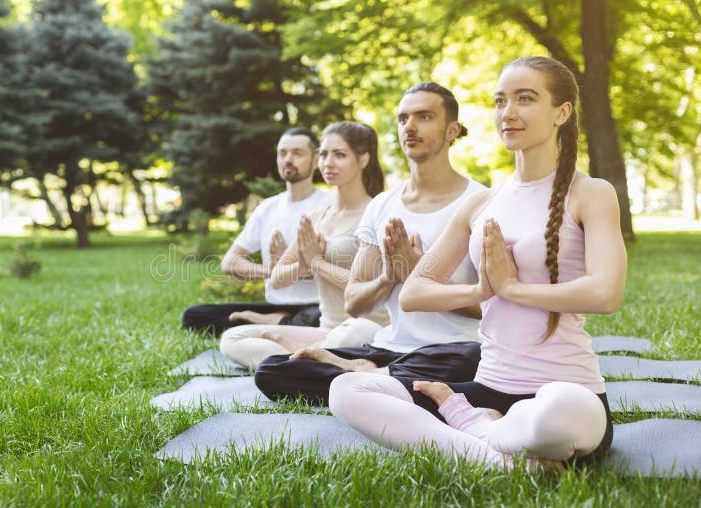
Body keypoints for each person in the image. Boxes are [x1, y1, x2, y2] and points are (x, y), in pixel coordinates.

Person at [328, 56, 627, 468]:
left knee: (558, 414)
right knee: (346, 390)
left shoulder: (590, 193)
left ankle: (477, 430)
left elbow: (605, 293)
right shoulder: (481, 203)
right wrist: (480, 290)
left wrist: (511, 288)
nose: (508, 113)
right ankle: (502, 461)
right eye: (500, 101)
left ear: (562, 112)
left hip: (567, 389)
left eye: (525, 99)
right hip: (488, 386)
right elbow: (414, 291)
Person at [255, 83, 485, 404]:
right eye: (403, 118)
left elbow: (491, 308)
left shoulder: (481, 202)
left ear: (452, 130)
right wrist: (390, 276)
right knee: (272, 370)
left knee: (469, 361)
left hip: (455, 348)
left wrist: (416, 273)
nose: (410, 126)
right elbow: (354, 303)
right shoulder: (383, 206)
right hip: (391, 347)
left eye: (425, 116)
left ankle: (367, 379)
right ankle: (379, 380)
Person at [220, 122, 390, 369]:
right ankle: (314, 360)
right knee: (232, 339)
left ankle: (297, 360)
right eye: (323, 154)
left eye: (339, 155)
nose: (328, 162)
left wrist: (316, 263)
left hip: (369, 330)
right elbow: (278, 278)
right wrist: (301, 264)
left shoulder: (376, 212)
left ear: (363, 160)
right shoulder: (317, 216)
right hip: (327, 330)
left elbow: (366, 287)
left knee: (351, 333)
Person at [181, 127, 331, 336]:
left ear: (316, 160)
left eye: (297, 153)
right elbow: (230, 262)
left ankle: (268, 325)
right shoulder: (267, 207)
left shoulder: (329, 204)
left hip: (315, 305)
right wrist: (274, 271)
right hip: (274, 304)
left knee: (320, 319)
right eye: (282, 153)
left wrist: (294, 265)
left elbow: (329, 264)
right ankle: (276, 322)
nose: (288, 159)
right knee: (194, 315)